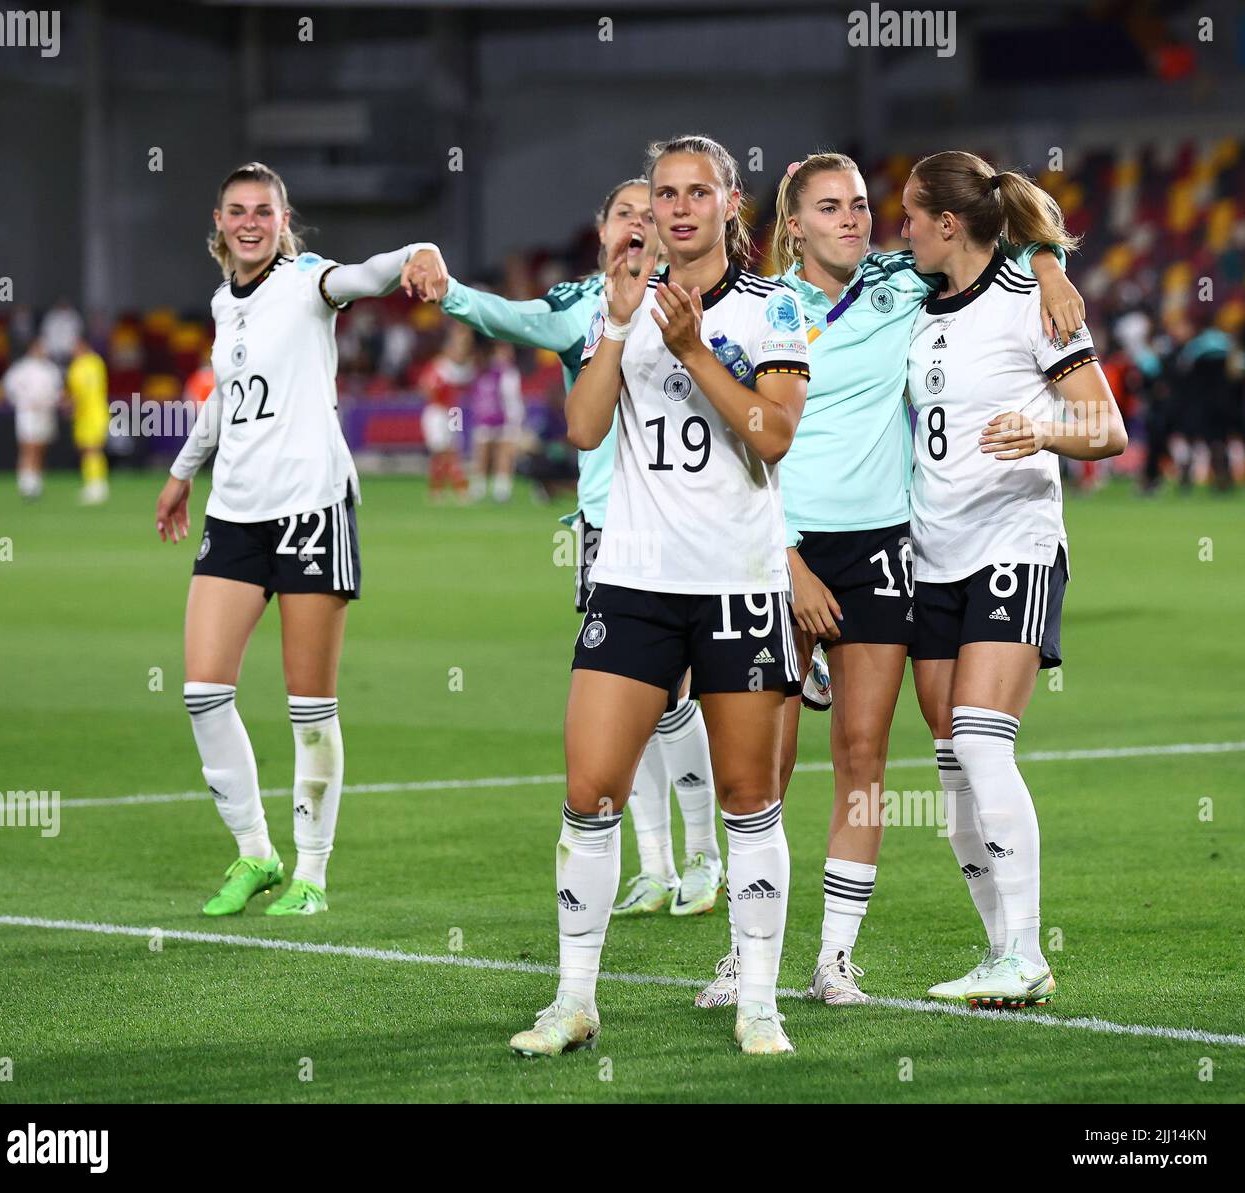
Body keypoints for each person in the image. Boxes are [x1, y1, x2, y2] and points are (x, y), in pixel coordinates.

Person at [692, 152, 1085, 1010]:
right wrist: (786, 559)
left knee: (864, 755)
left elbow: (988, 236)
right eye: (832, 207)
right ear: (793, 225)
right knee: (763, 765)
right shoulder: (762, 310)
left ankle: (835, 959)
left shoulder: (901, 282)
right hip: (776, 549)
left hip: (881, 547)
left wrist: (1051, 264)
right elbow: (743, 439)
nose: (857, 219)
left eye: (864, 205)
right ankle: (742, 953)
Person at [508, 134, 810, 1058]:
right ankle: (573, 1000)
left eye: (695, 192)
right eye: (662, 195)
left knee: (749, 794)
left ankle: (759, 1001)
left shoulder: (775, 307)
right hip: (634, 579)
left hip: (737, 582)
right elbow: (584, 425)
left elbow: (773, 436)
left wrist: (693, 350)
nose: (676, 209)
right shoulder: (625, 308)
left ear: (729, 203)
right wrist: (616, 322)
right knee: (589, 788)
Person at [154, 161, 447, 918]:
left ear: (284, 223)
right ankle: (256, 852)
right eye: (236, 210)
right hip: (235, 513)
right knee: (202, 691)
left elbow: (363, 276)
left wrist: (414, 251)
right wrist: (184, 472)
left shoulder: (308, 280)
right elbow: (226, 394)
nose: (249, 221)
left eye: (263, 210)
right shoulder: (226, 303)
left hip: (312, 509)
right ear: (218, 223)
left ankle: (311, 873)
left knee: (309, 706)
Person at [428, 179, 723, 921]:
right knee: (633, 703)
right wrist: (451, 293)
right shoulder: (579, 309)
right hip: (604, 527)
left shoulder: (698, 301)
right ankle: (655, 865)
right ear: (601, 229)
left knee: (672, 698)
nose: (635, 222)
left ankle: (704, 856)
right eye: (622, 212)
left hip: (680, 524)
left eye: (646, 212)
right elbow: (508, 315)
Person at [901, 150, 1126, 1006]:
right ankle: (1002, 954)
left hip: (1015, 543)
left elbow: (1104, 427)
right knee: (953, 756)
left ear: (948, 223)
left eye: (914, 214)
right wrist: (1044, 250)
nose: (903, 227)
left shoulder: (1036, 304)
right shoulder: (914, 309)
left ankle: (1026, 950)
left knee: (982, 734)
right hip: (934, 556)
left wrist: (1041, 436)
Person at [418, 322, 474, 503]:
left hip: (453, 412)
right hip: (437, 412)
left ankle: (453, 489)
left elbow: (463, 355)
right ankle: (444, 488)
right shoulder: (439, 366)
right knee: (440, 452)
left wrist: (463, 337)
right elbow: (425, 387)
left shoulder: (460, 367)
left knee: (452, 451)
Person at [2, 339, 62, 500]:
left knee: (40, 447)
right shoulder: (21, 368)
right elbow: (9, 388)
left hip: (45, 413)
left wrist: (49, 402)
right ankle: (26, 483)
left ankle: (36, 481)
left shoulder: (51, 369)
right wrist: (23, 402)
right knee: (28, 446)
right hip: (27, 413)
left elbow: (57, 391)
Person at [466, 339, 525, 502]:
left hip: (506, 419)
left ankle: (502, 489)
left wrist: (515, 420)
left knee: (504, 454)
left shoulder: (510, 373)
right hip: (486, 417)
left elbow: (513, 399)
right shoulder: (484, 370)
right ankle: (479, 487)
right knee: (482, 453)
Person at [66, 334, 111, 504]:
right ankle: (96, 484)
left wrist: (70, 406)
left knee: (91, 449)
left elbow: (79, 393)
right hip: (98, 411)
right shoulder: (97, 362)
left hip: (89, 413)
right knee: (92, 449)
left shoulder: (78, 367)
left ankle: (95, 486)